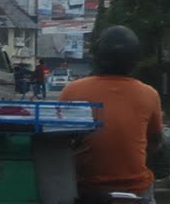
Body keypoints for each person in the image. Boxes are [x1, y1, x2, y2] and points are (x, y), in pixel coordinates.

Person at [59, 26, 163, 204]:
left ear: (98, 56)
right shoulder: (149, 94)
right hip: (136, 190)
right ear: (135, 60)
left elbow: (59, 141)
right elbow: (154, 142)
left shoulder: (72, 90)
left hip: (85, 189)